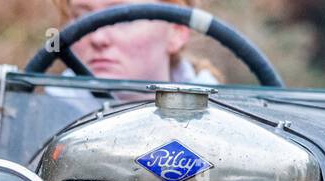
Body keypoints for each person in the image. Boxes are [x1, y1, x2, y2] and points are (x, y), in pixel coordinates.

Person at [47, 0, 221, 110]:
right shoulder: (45, 112)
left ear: (177, 31)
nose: (97, 38)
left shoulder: (220, 120)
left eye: (121, 18)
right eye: (82, 18)